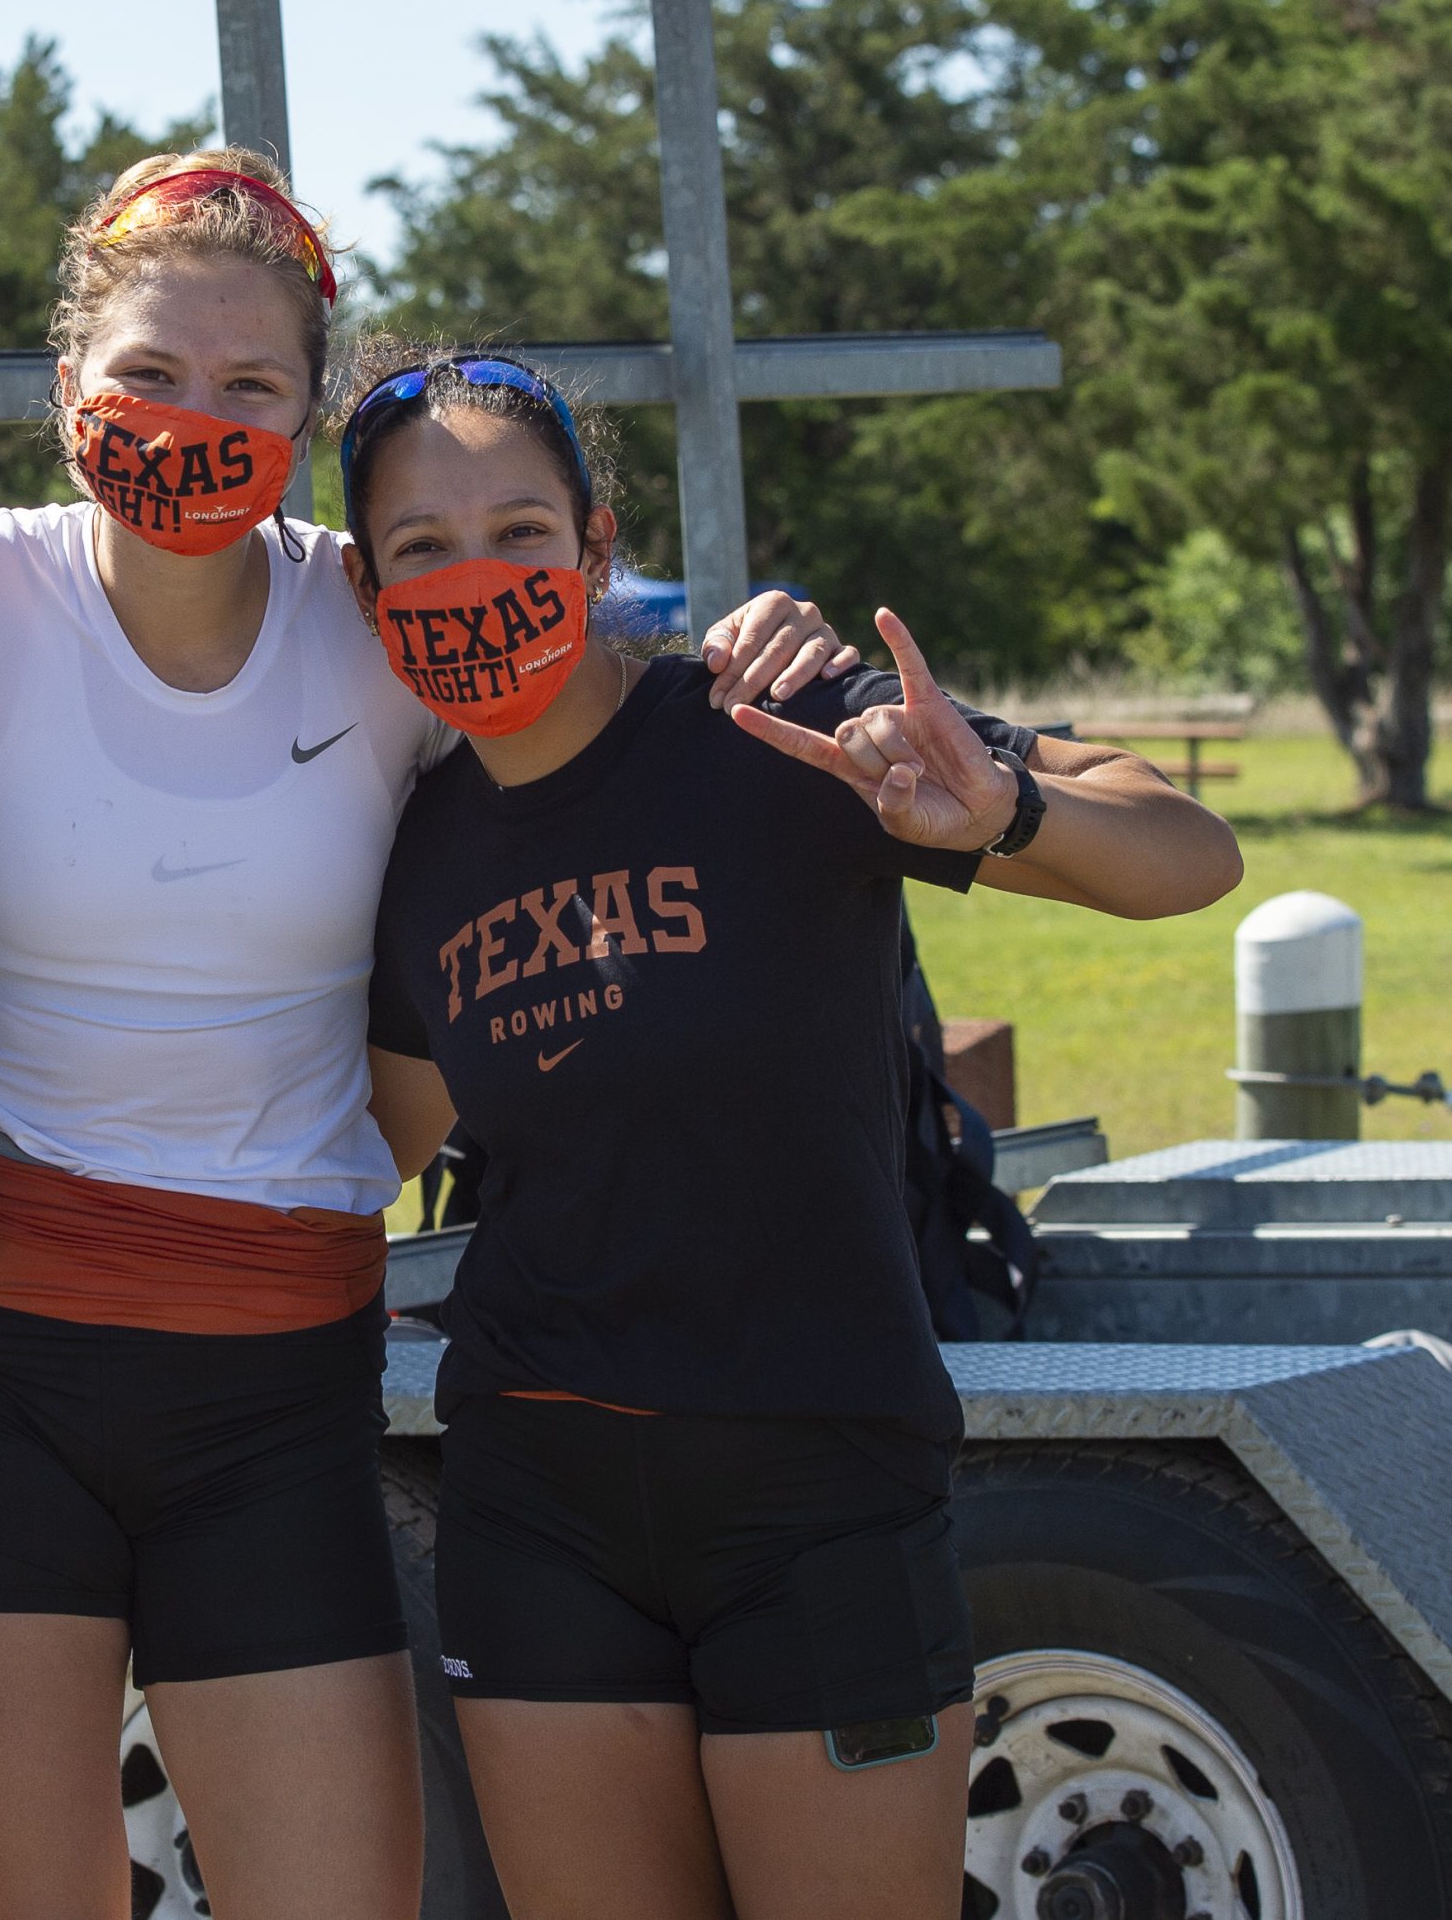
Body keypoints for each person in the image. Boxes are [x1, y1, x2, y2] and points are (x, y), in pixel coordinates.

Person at [0, 154, 854, 1919]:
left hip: (277, 1389)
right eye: (149, 374)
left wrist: (772, 641)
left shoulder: (380, 625)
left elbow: (590, 701)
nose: (193, 417)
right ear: (72, 392)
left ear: (310, 414)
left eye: (249, 384)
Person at [340, 337, 1244, 1920]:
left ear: (599, 549)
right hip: (536, 1498)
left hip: (815, 1485)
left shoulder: (777, 725)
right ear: (368, 588)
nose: (473, 577)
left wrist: (1006, 812)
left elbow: (1190, 852)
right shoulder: (417, 849)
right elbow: (363, 1148)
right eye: (423, 547)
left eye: (519, 535)